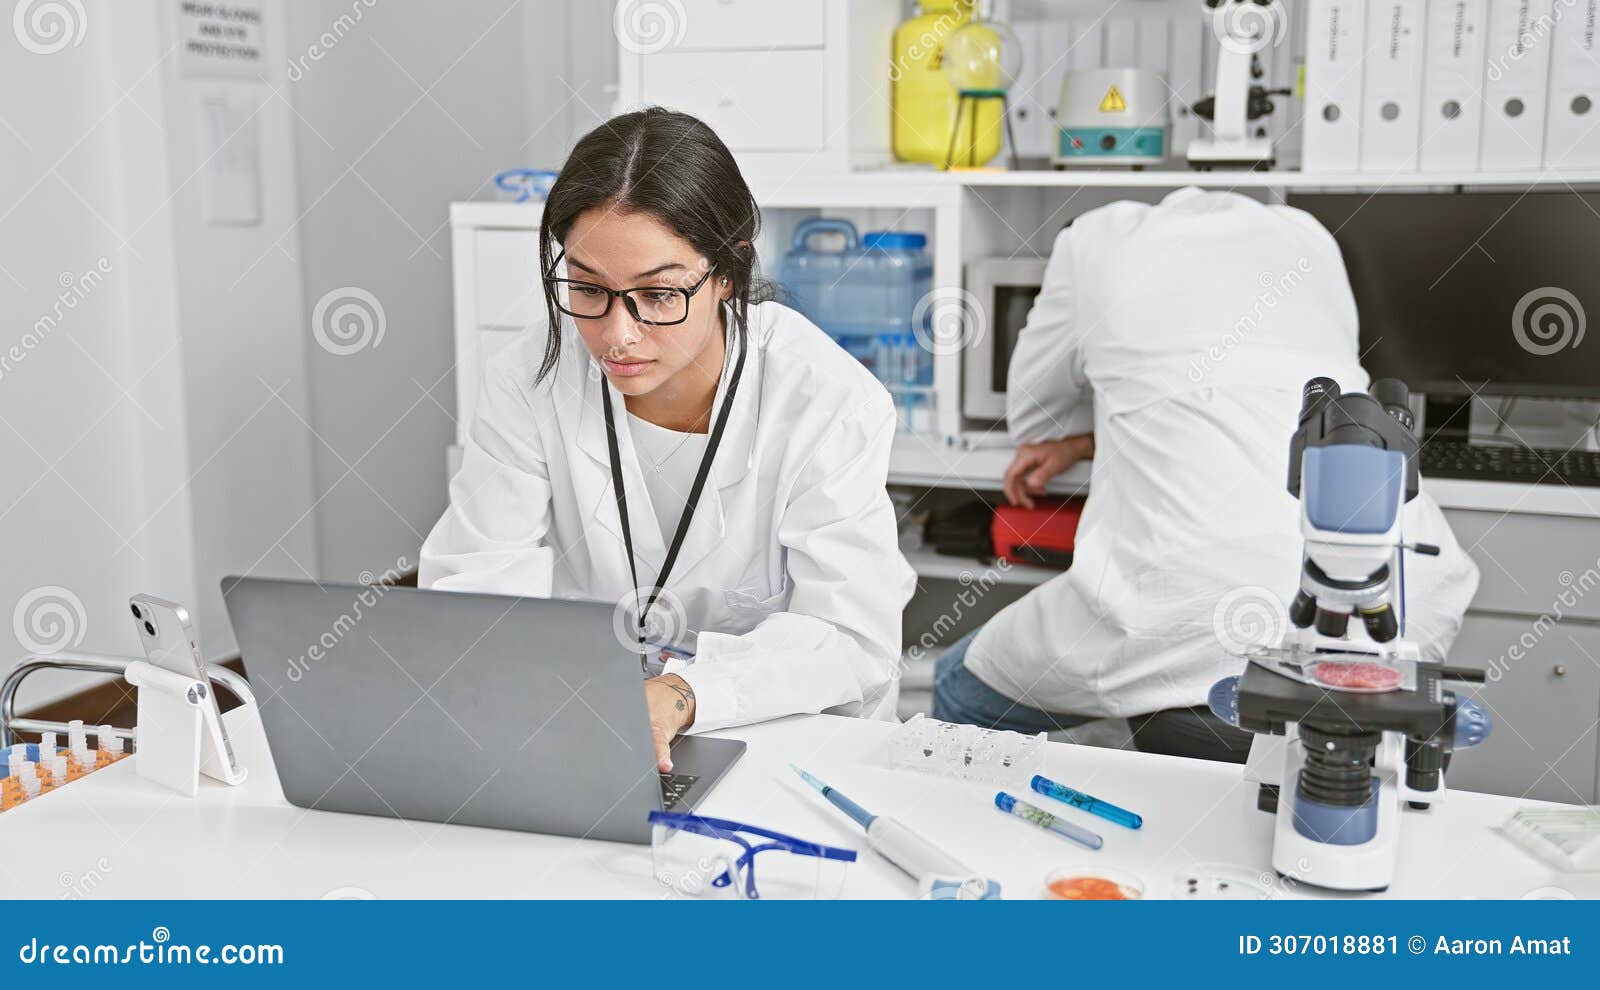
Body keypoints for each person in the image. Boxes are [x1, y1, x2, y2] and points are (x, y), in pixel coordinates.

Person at [421, 109, 914, 772]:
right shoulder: (527, 382)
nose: (617, 334)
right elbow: (475, 588)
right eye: (588, 288)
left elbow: (851, 636)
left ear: (728, 273)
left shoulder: (824, 399)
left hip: (785, 749)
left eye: (656, 294)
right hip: (589, 739)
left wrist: (685, 693)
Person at [932, 187, 1479, 762]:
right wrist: (1099, 434)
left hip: (1191, 602)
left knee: (956, 688)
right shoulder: (1309, 238)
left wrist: (1080, 431)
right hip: (1403, 591)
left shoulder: (1092, 241)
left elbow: (1031, 414)